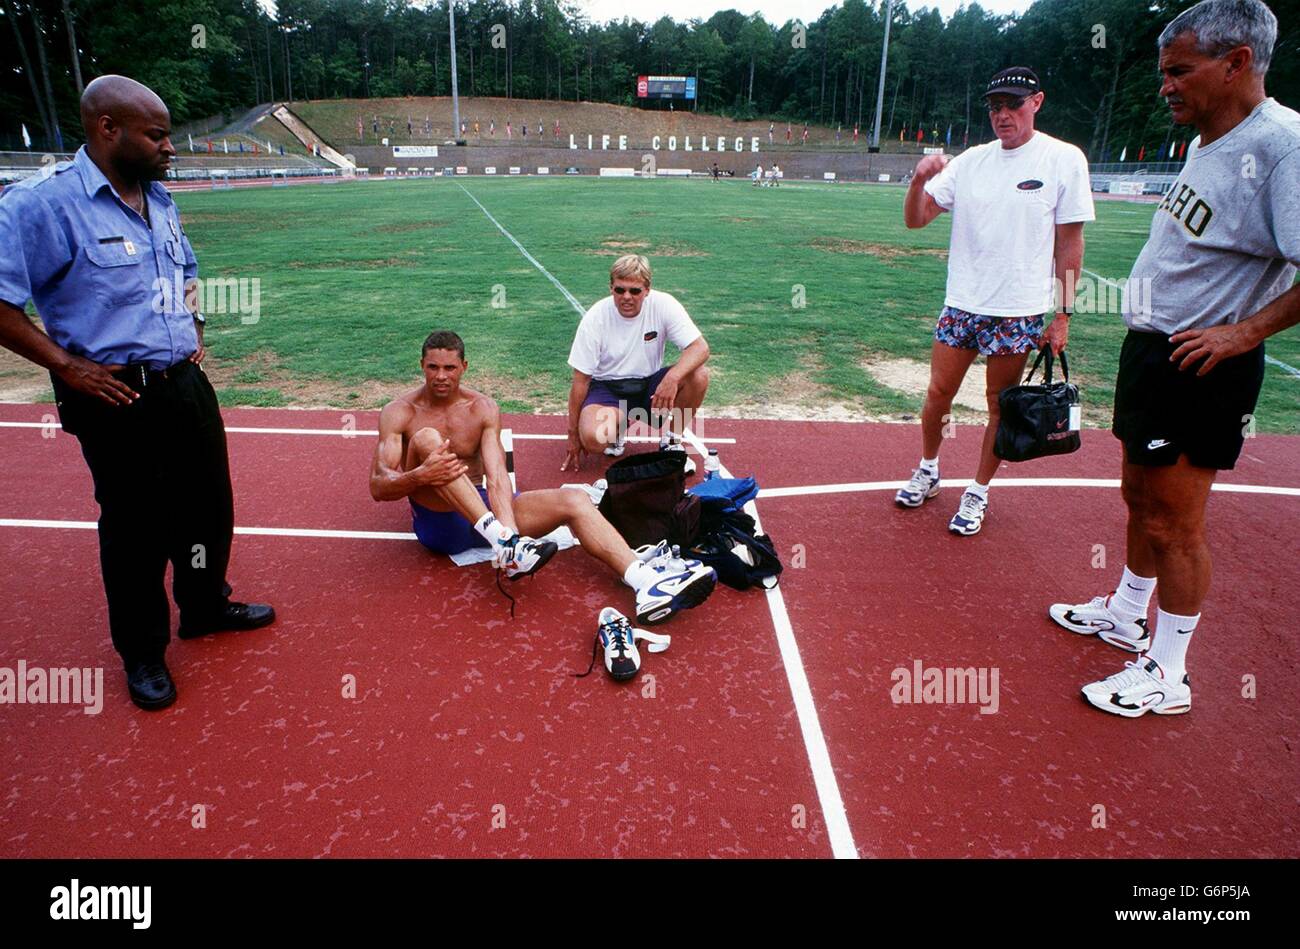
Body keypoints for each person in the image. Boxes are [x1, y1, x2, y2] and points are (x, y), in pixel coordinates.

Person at [1050, 0, 1299, 717]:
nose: (1166, 86)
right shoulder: (1205, 140)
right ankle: (1127, 612)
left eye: (1179, 71)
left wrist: (1243, 333)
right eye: (1164, 72)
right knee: (1139, 498)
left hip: (1204, 364)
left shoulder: (1284, 146)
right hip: (1154, 350)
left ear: (1238, 63)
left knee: (1176, 524)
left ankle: (1168, 669)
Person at [0, 76, 274, 711]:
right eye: (156, 134)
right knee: (136, 528)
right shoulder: (41, 204)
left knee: (208, 504)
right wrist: (67, 366)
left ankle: (205, 606)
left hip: (183, 384)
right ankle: (143, 652)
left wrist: (193, 321)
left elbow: (187, 271)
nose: (169, 147)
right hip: (114, 396)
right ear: (107, 129)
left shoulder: (161, 198)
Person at [370, 331, 717, 626]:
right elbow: (379, 486)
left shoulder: (483, 408)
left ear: (464, 367)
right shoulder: (399, 411)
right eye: (433, 367)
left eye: (449, 368)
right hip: (442, 523)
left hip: (493, 515)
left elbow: (497, 475)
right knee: (428, 439)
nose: (441, 376)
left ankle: (645, 583)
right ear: (422, 367)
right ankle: (503, 541)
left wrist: (508, 535)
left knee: (575, 501)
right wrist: (419, 475)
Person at [899, 66, 1093, 535]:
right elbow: (917, 220)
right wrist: (917, 181)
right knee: (937, 395)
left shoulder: (1063, 159)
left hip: (1018, 308)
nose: (1003, 115)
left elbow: (1070, 243)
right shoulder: (971, 161)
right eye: (995, 107)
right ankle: (928, 468)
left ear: (1037, 102)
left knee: (999, 405)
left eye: (1013, 104)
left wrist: (1063, 314)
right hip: (962, 301)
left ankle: (978, 491)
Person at [561, 256, 711, 472]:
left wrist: (672, 378)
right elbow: (580, 381)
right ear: (611, 288)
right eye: (620, 290)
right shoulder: (595, 318)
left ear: (647, 290)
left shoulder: (664, 305)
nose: (627, 297)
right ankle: (618, 427)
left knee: (699, 375)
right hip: (607, 390)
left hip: (649, 387)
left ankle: (671, 441)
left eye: (635, 291)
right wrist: (573, 435)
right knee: (593, 439)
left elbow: (700, 348)